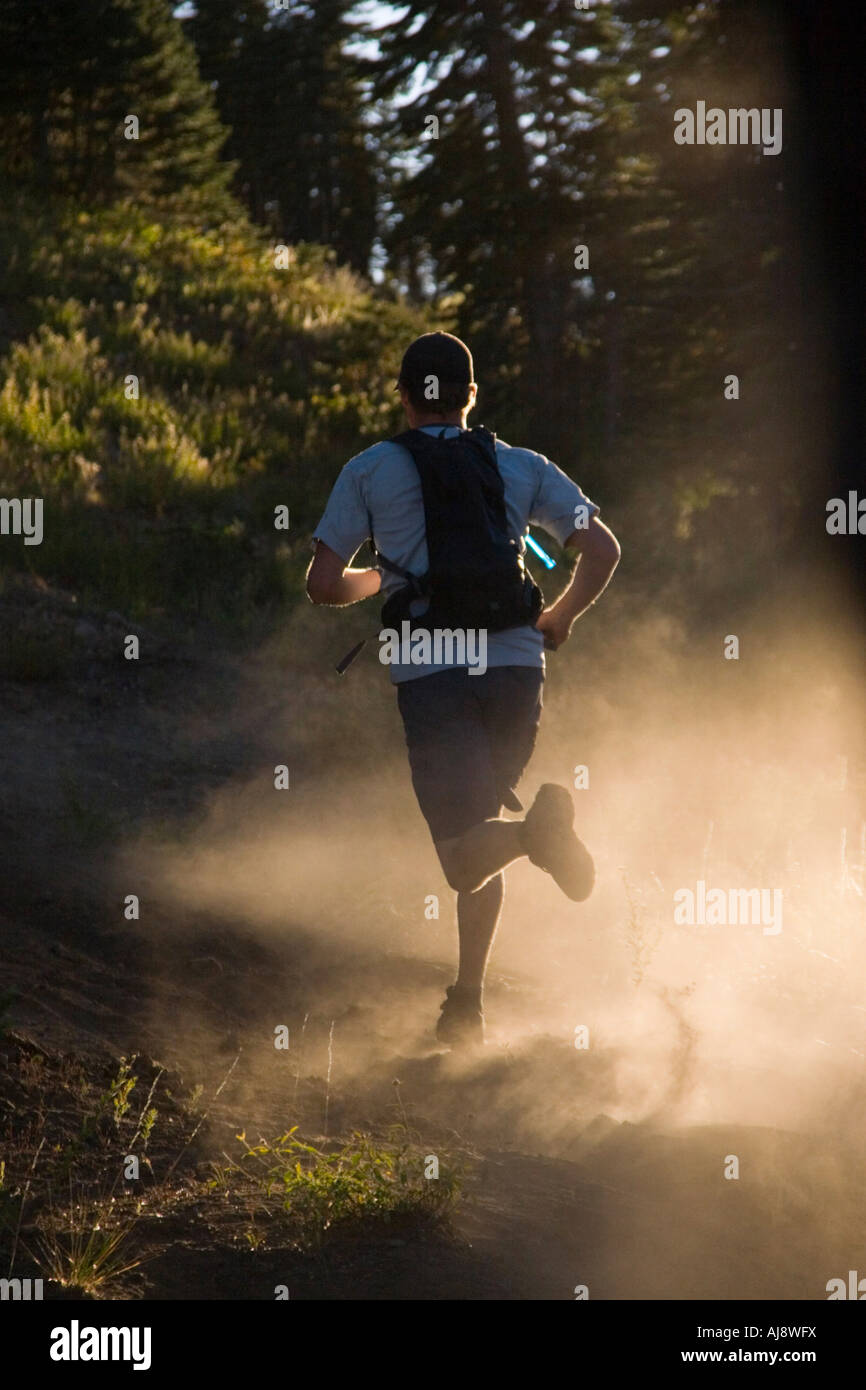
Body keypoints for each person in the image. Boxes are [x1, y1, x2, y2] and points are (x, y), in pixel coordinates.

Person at [307, 332, 620, 1047]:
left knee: (461, 855)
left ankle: (536, 836)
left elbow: (324, 584)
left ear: (404, 397)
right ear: (471, 396)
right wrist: (558, 620)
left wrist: (380, 578)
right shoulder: (520, 465)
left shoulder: (371, 469)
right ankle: (468, 1003)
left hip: (432, 664)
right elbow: (603, 551)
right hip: (516, 665)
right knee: (479, 834)